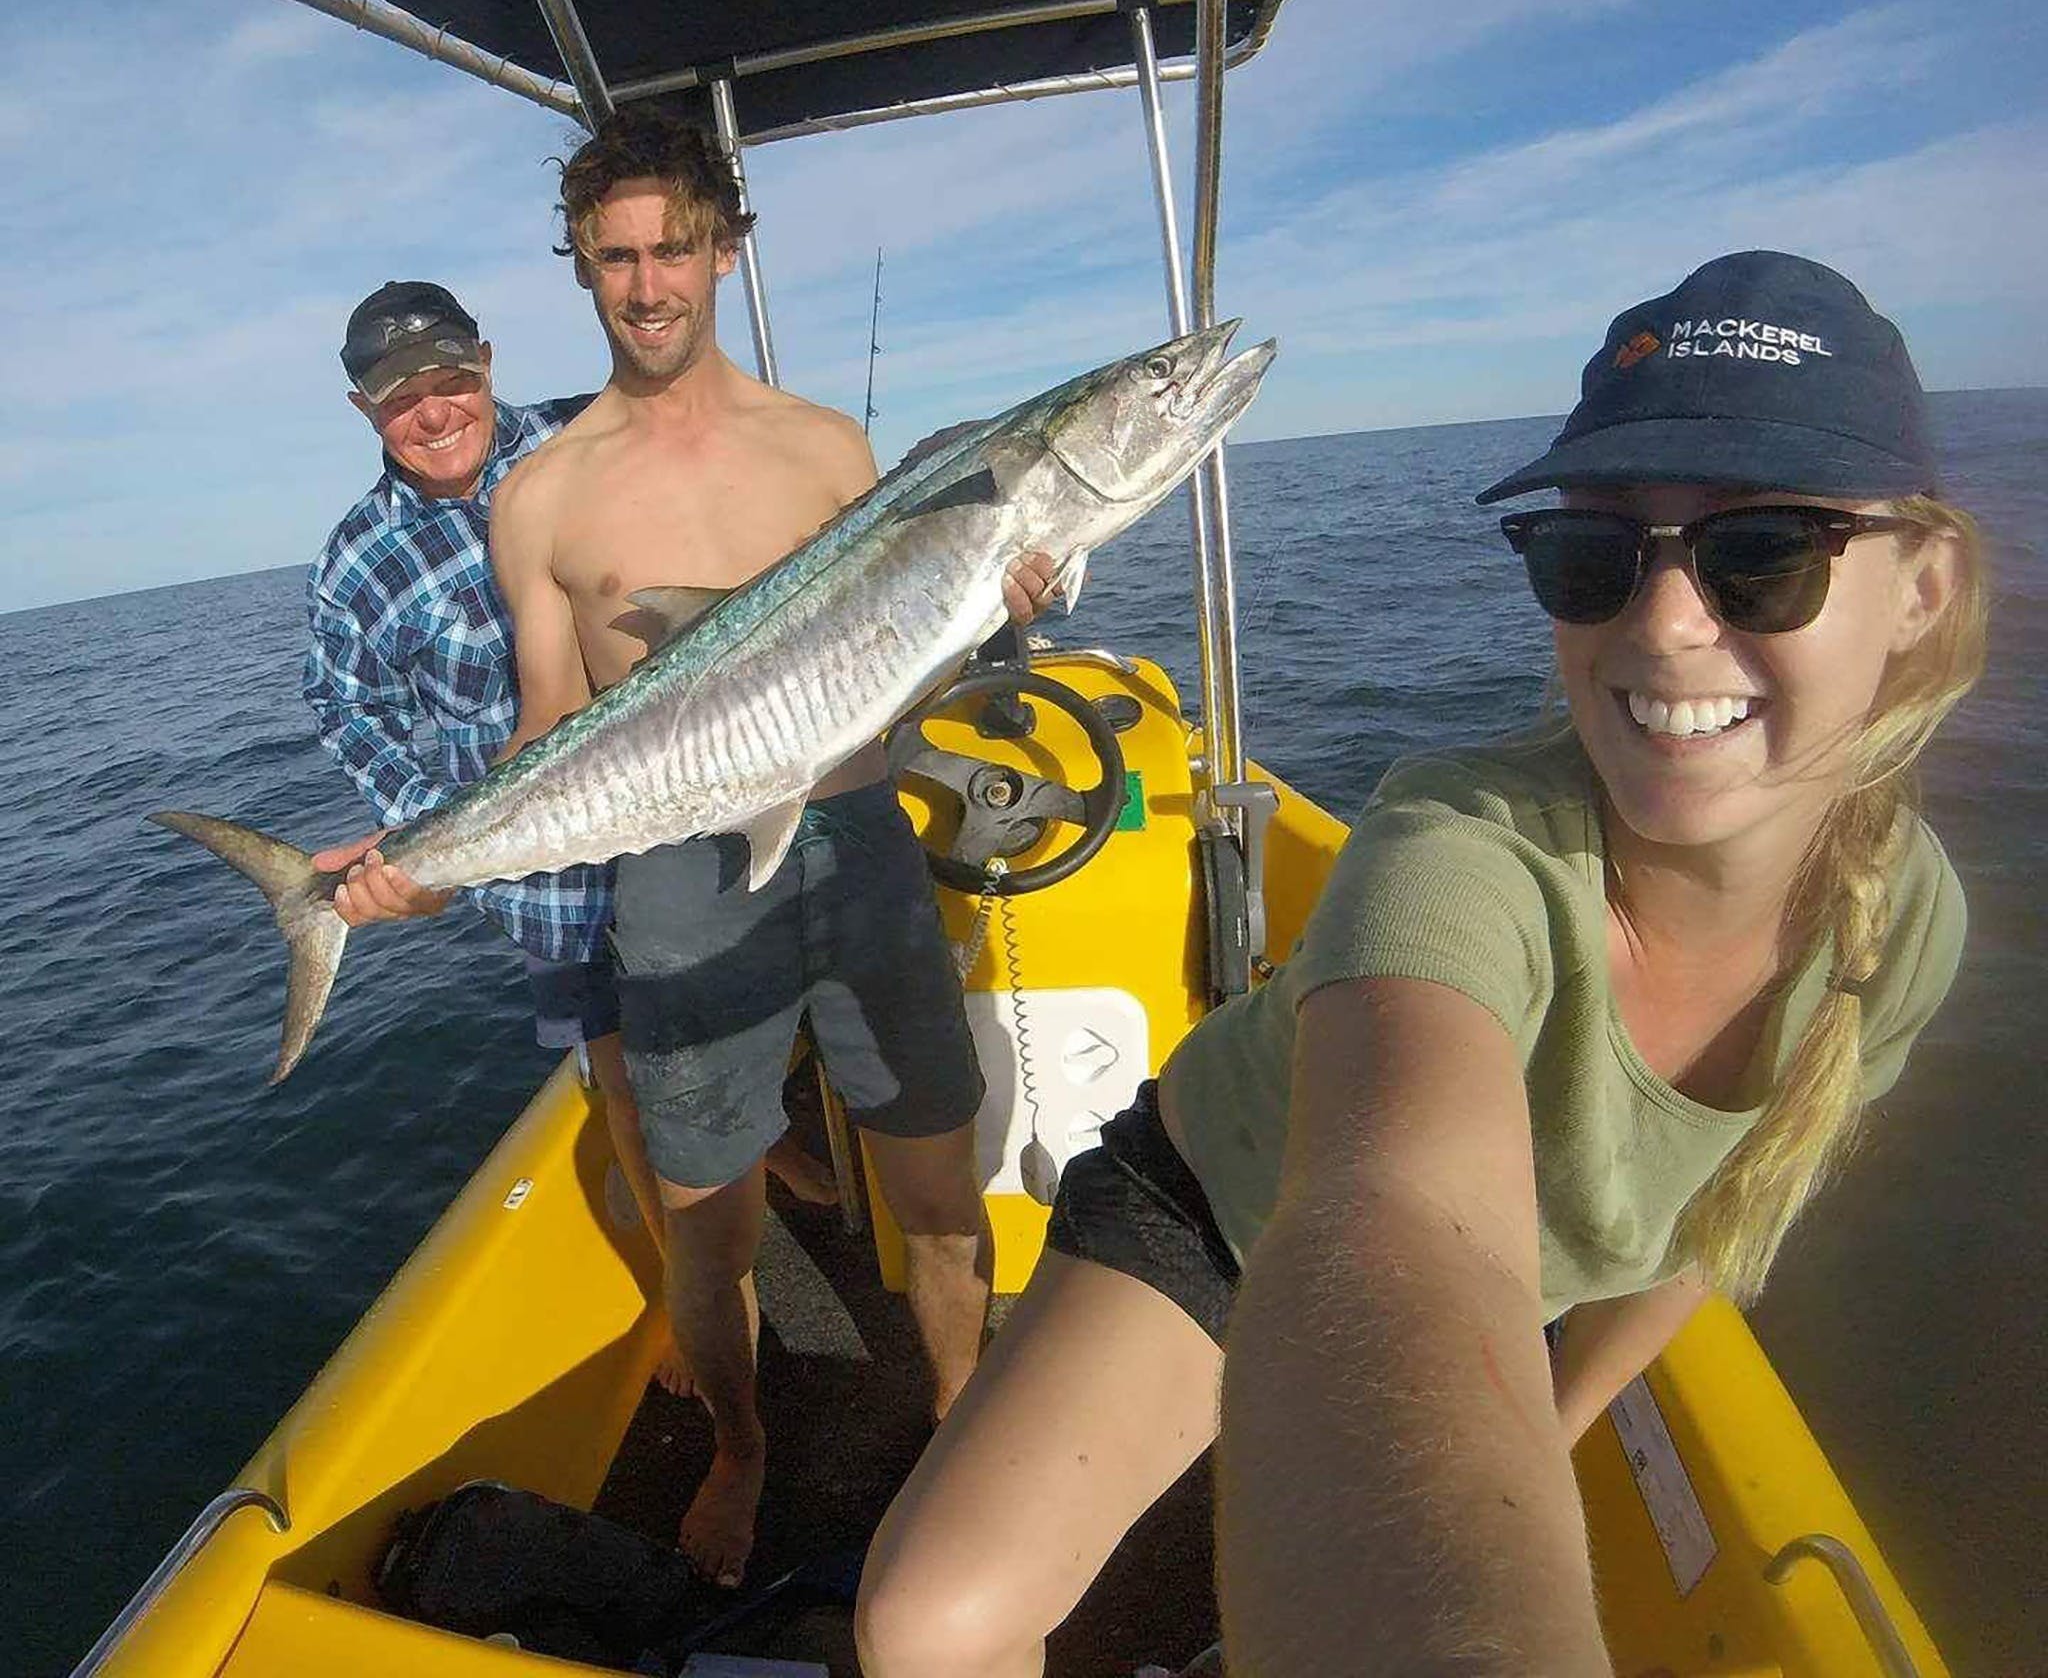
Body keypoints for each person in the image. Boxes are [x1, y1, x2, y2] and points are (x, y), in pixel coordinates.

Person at [853, 250, 1987, 1678]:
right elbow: (1394, 1222)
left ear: (1923, 586)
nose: (1665, 622)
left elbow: (1718, 1216)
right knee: (927, 1625)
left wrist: (1554, 1427)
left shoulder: (1902, 926)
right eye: (1595, 557)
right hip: (1217, 1205)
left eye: (1766, 553)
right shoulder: (1458, 840)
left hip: (1512, 1303)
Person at [480, 106, 1053, 1587]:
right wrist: (439, 850)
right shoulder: (542, 497)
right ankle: (741, 1450)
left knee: (937, 1190)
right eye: (616, 257)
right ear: (583, 272)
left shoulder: (829, 444)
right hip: (674, 880)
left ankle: (960, 1425)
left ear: (724, 251)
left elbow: (896, 654)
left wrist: (1001, 605)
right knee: (712, 1231)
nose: (649, 283)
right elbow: (548, 727)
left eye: (675, 247)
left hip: (854, 839)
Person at [302, 282, 830, 1403]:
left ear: (486, 362)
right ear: (363, 409)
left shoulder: (580, 444)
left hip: (694, 817)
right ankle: (703, 1306)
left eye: (452, 378)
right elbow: (353, 713)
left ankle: (763, 1139)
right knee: (629, 1087)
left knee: (747, 1013)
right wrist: (414, 847)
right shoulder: (356, 566)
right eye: (403, 397)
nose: (436, 409)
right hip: (543, 877)